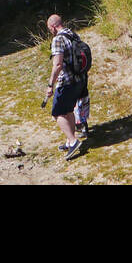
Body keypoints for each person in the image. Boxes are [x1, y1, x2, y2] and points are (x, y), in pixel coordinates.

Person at [45, 14, 87, 160]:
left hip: (67, 82)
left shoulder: (58, 39)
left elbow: (57, 65)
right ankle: (70, 141)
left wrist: (50, 85)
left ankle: (74, 141)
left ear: (52, 27)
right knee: (68, 110)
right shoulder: (73, 35)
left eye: (49, 29)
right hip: (80, 80)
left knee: (57, 112)